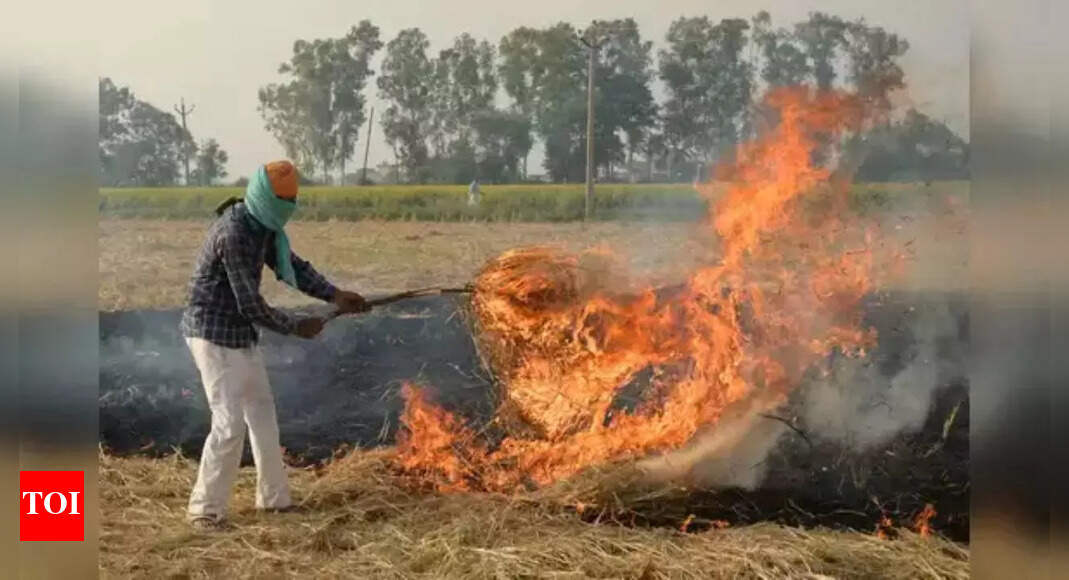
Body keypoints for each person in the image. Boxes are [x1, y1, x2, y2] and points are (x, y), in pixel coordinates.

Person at [179, 160, 368, 530]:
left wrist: (335, 295)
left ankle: (274, 501)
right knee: (229, 423)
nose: (287, 208)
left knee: (262, 414)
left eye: (291, 200)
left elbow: (292, 267)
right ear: (265, 198)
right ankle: (205, 510)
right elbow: (250, 303)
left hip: (239, 333)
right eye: (283, 200)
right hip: (211, 332)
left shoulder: (263, 227)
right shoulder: (233, 233)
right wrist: (296, 326)